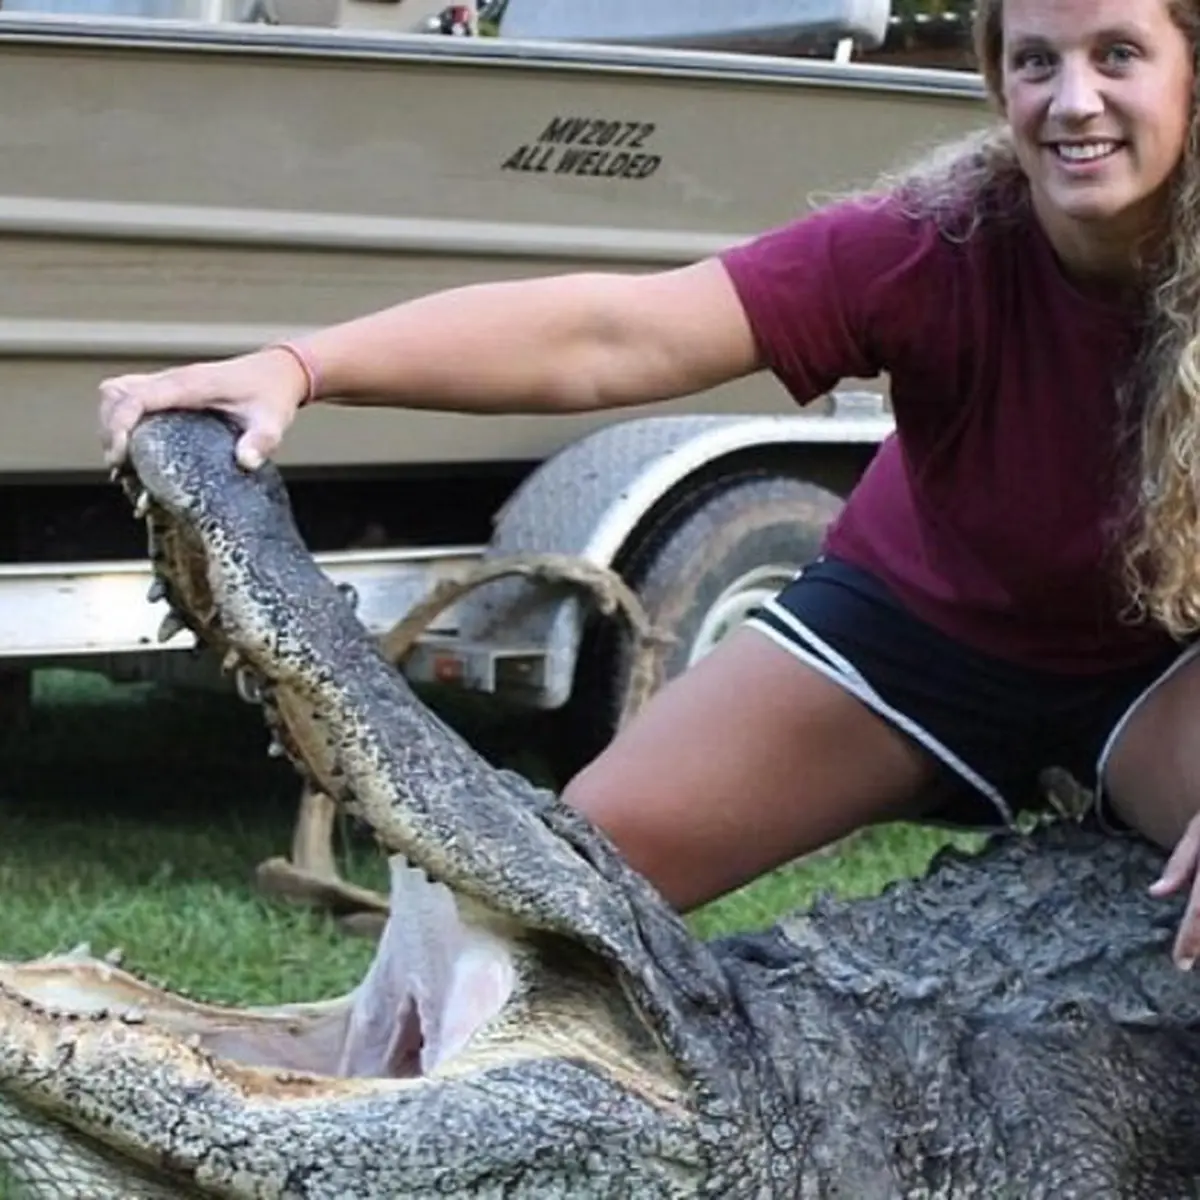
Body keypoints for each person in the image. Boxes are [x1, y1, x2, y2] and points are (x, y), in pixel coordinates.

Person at [100, 0, 1200, 965]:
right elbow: (611, 335)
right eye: (1037, 60)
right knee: (519, 910)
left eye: (1118, 55)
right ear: (994, 75)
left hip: (1156, 671)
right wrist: (302, 366)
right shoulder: (930, 243)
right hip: (909, 640)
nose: (1073, 100)